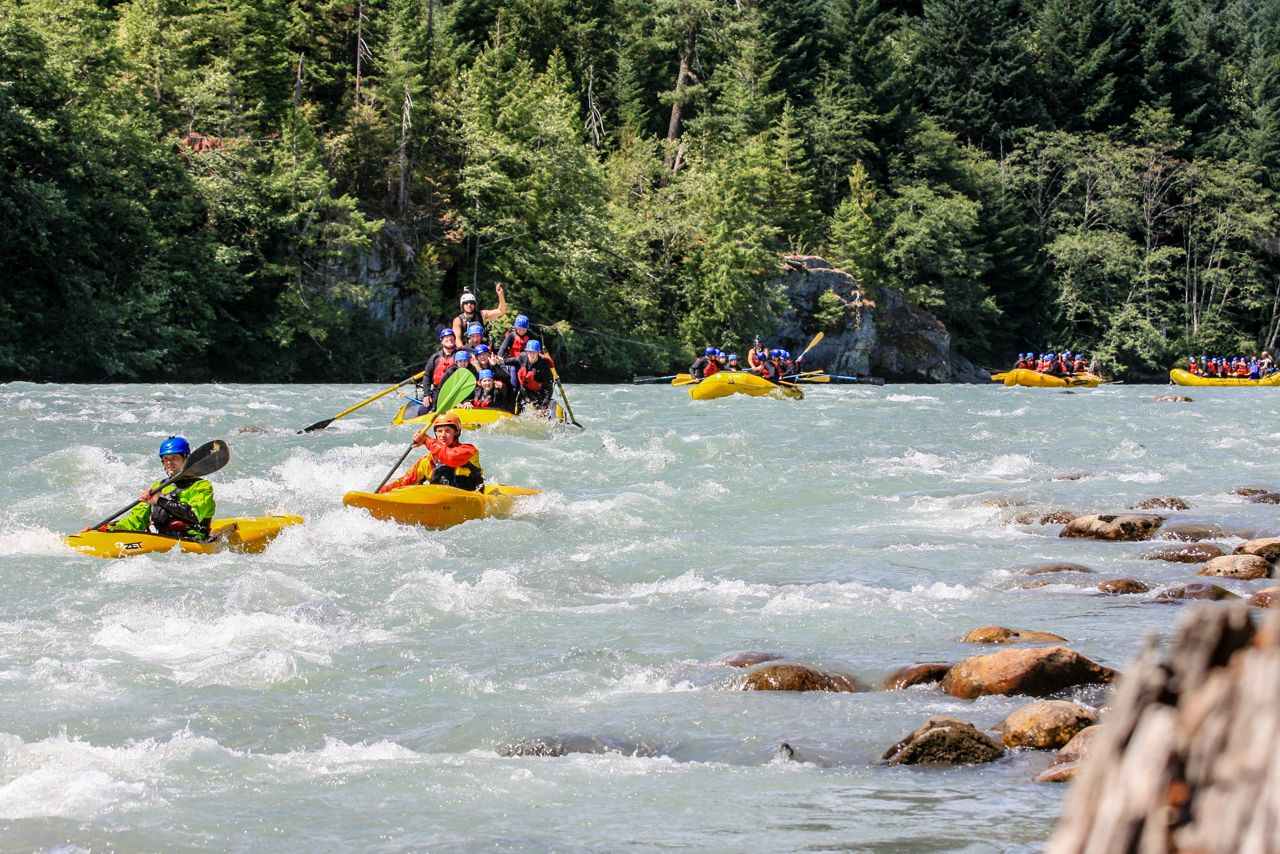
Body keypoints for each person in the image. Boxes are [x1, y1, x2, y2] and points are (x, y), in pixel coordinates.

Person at [102, 437, 216, 540]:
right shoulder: (157, 487)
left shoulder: (202, 486)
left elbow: (194, 515)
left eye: (174, 458)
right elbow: (134, 522)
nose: (169, 462)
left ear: (186, 458)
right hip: (160, 539)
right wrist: (104, 530)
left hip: (191, 540)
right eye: (165, 458)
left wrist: (159, 501)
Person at [379, 413, 484, 493]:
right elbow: (405, 481)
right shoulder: (428, 460)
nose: (443, 435)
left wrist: (426, 440)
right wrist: (380, 492)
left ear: (457, 432)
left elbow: (451, 458)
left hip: (470, 495)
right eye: (439, 431)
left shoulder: (469, 450)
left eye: (447, 431)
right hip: (441, 500)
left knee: (444, 470)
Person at [504, 340, 557, 414]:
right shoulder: (523, 357)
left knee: (539, 412)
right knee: (519, 411)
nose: (531, 354)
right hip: (525, 390)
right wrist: (498, 360)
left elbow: (549, 388)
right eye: (529, 352)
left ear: (538, 353)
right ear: (527, 352)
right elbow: (510, 360)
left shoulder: (544, 365)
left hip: (540, 392)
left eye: (534, 352)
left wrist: (543, 407)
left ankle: (545, 408)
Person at [422, 328, 460, 410]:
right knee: (423, 410)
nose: (449, 339)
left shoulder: (461, 356)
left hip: (456, 392)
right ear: (441, 341)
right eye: (446, 337)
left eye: (451, 337)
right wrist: (427, 394)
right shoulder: (435, 357)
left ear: (454, 339)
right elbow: (427, 376)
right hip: (437, 393)